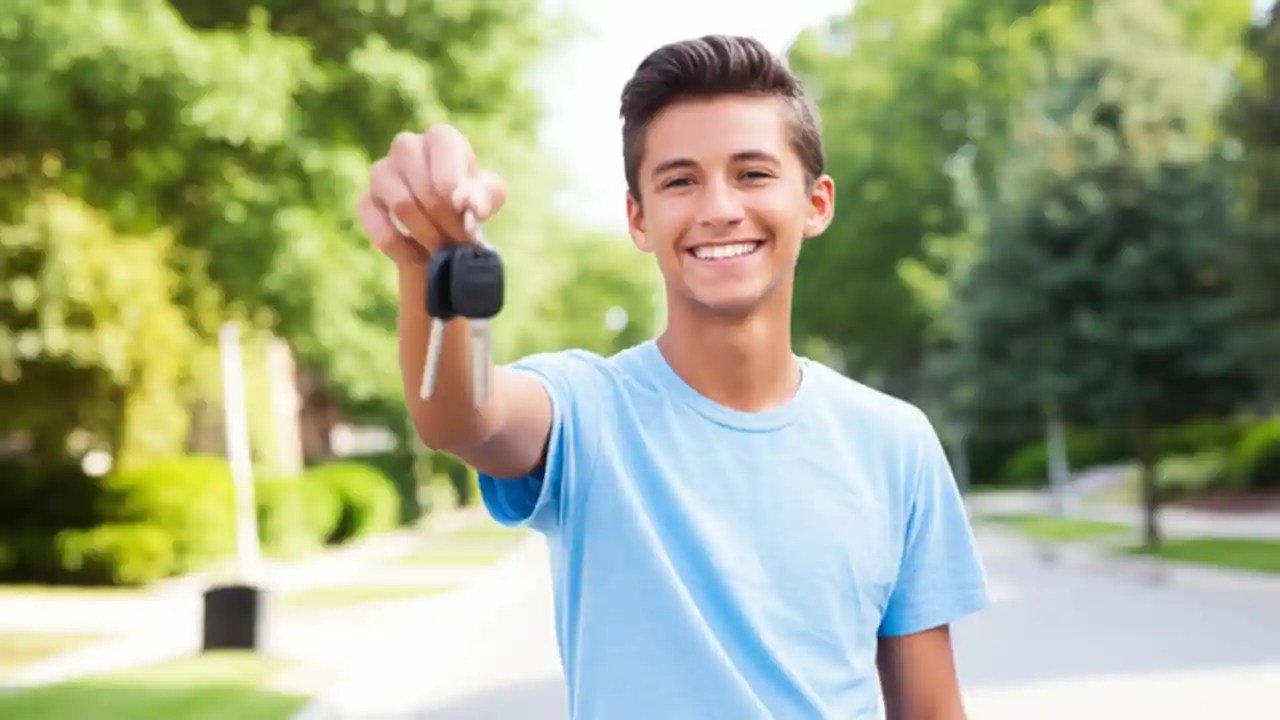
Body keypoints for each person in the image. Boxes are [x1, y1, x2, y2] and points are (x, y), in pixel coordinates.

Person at [357, 33, 990, 720]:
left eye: (752, 173)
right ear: (638, 217)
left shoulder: (895, 443)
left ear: (817, 203)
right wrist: (430, 264)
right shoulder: (587, 411)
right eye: (680, 180)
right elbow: (456, 416)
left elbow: (931, 711)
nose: (718, 207)